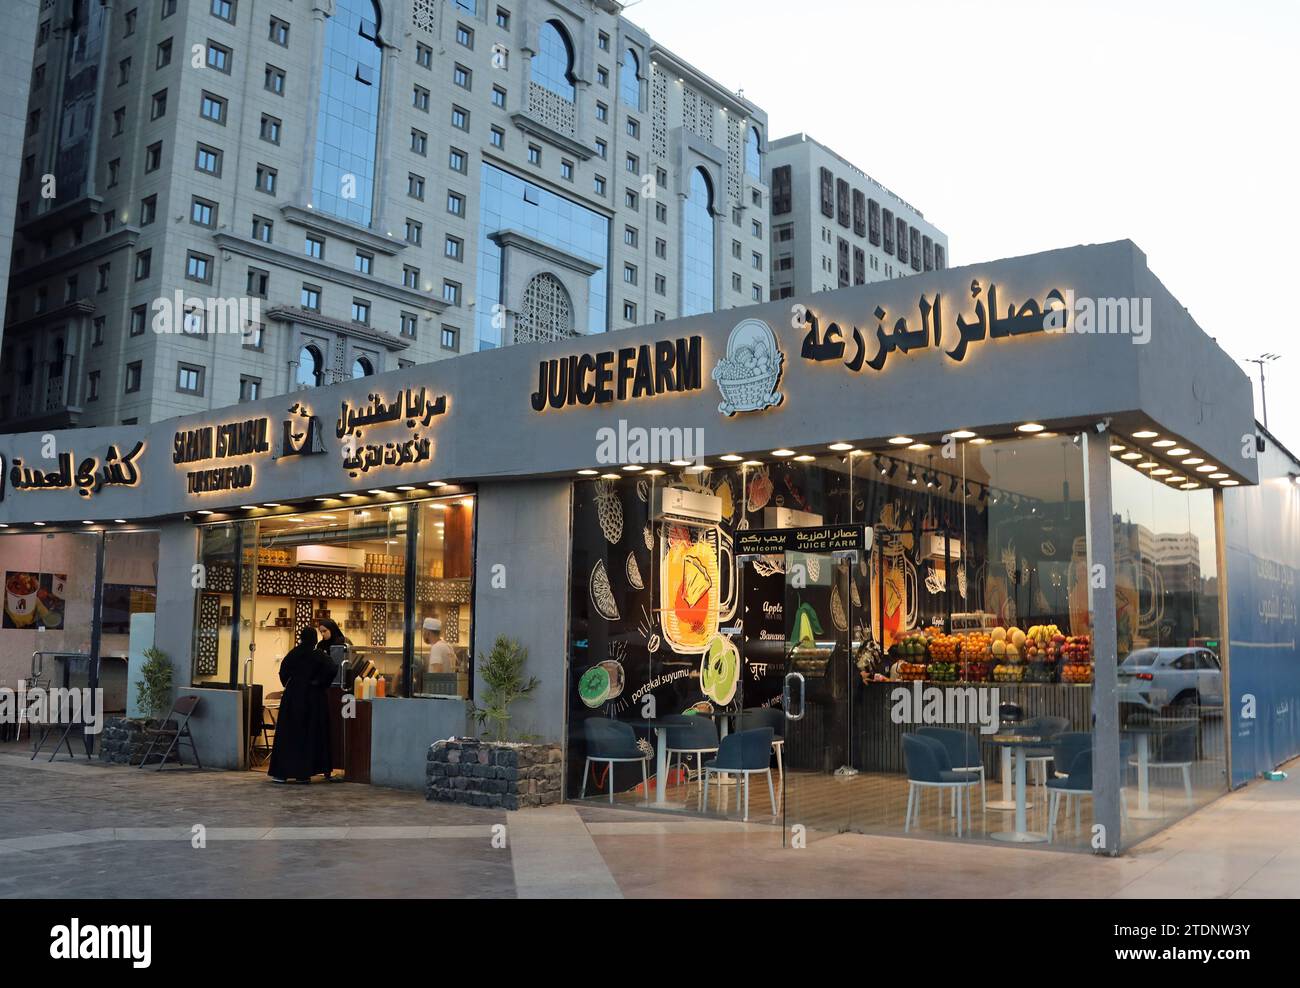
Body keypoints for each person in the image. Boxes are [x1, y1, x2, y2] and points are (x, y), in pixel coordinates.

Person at [267, 626, 333, 784]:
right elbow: (331, 669)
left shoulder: (293, 653)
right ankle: (303, 774)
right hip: (312, 699)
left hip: (292, 698)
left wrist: (291, 684)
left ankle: (281, 774)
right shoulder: (318, 655)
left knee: (288, 735)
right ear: (314, 639)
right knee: (308, 735)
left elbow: (283, 672)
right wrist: (318, 683)